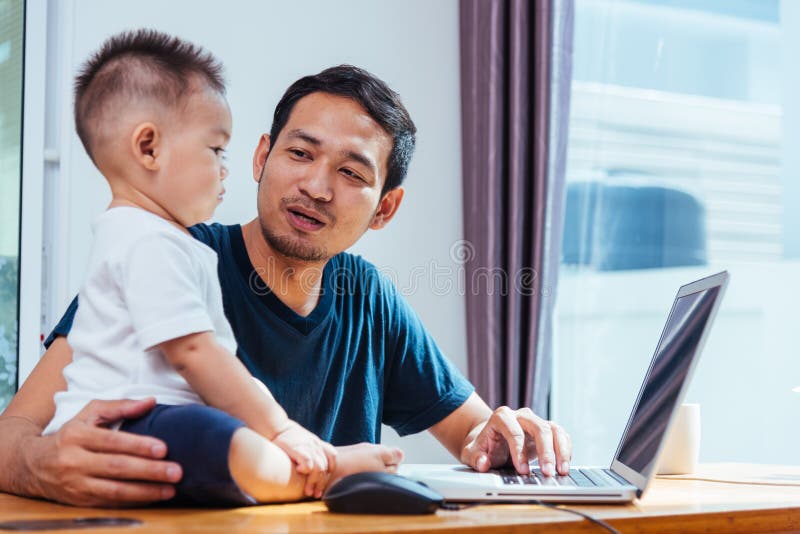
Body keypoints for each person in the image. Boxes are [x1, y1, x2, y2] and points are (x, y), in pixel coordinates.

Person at [0, 53, 572, 508]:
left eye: (351, 172)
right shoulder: (175, 255)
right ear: (261, 158)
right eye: (301, 153)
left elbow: (475, 436)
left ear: (385, 209)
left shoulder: (367, 297)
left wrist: (501, 438)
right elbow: (11, 437)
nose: (317, 187)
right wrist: (40, 464)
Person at [32, 29, 402, 506]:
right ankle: (326, 471)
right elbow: (196, 354)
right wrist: (283, 429)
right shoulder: (149, 244)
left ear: (385, 207)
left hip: (157, 428)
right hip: (132, 428)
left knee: (226, 433)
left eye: (350, 172)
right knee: (232, 441)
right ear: (149, 148)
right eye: (214, 151)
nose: (224, 168)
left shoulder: (152, 240)